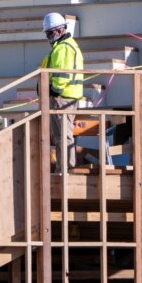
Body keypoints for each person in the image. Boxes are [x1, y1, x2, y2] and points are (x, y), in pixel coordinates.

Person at [39, 13, 83, 170]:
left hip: (62, 98)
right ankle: (62, 169)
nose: (48, 37)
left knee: (63, 136)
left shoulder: (63, 48)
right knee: (59, 137)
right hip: (63, 98)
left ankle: (66, 170)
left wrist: (53, 91)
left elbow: (61, 74)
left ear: (60, 30)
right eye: (47, 33)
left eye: (50, 33)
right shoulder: (62, 47)